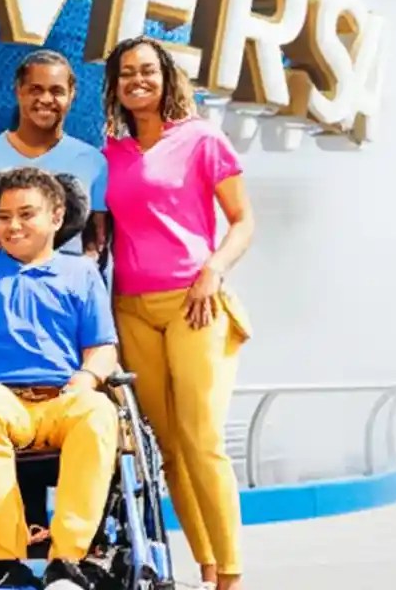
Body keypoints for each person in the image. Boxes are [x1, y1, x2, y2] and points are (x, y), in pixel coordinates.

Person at [100, 36, 256, 590]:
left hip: (194, 304)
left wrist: (214, 268)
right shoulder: (109, 154)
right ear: (114, 86)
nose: (136, 81)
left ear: (166, 77)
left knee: (201, 438)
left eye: (147, 71)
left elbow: (242, 221)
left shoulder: (202, 140)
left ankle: (232, 577)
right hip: (132, 310)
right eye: (125, 74)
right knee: (167, 448)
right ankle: (206, 566)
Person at [0, 167, 120, 590]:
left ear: (57, 216)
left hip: (63, 399)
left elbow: (102, 348)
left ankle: (68, 562)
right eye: (3, 216)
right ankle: (5, 561)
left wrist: (88, 378)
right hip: (0, 401)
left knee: (98, 410)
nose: (12, 226)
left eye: (25, 214)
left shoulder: (82, 273)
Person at [0, 50, 108, 262]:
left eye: (57, 91)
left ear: (72, 94)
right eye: (35, 90)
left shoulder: (94, 163)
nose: (45, 99)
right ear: (19, 92)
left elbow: (97, 246)